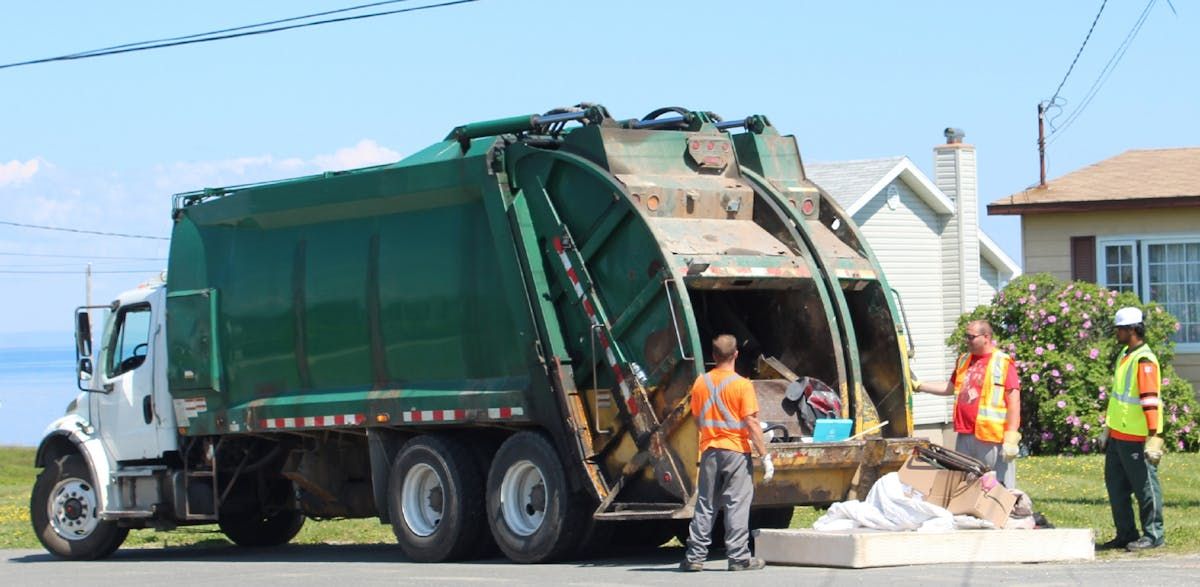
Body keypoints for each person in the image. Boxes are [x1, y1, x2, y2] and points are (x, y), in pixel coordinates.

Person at [679, 334, 772, 572]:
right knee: (736, 504)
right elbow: (751, 423)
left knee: (706, 504)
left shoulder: (701, 383)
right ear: (736, 354)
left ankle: (694, 557)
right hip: (736, 452)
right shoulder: (742, 385)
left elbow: (697, 418)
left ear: (713, 355)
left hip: (710, 451)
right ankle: (739, 557)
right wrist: (764, 455)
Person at [913, 320, 1022, 488]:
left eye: (971, 337)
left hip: (991, 436)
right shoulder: (963, 360)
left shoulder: (1002, 362)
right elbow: (950, 388)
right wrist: (920, 386)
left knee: (998, 487)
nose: (967, 340)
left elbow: (1014, 401)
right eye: (966, 336)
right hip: (965, 433)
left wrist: (1012, 437)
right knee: (967, 484)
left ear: (986, 337)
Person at [1099, 306, 1165, 551]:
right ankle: (1125, 534)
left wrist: (1154, 436)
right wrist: (1108, 429)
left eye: (1120, 329)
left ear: (1132, 330)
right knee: (1116, 487)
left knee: (1145, 487)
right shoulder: (1125, 355)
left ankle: (1154, 534)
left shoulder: (1144, 360)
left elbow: (1149, 399)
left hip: (1137, 436)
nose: (1116, 333)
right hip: (1118, 434)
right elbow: (1119, 397)